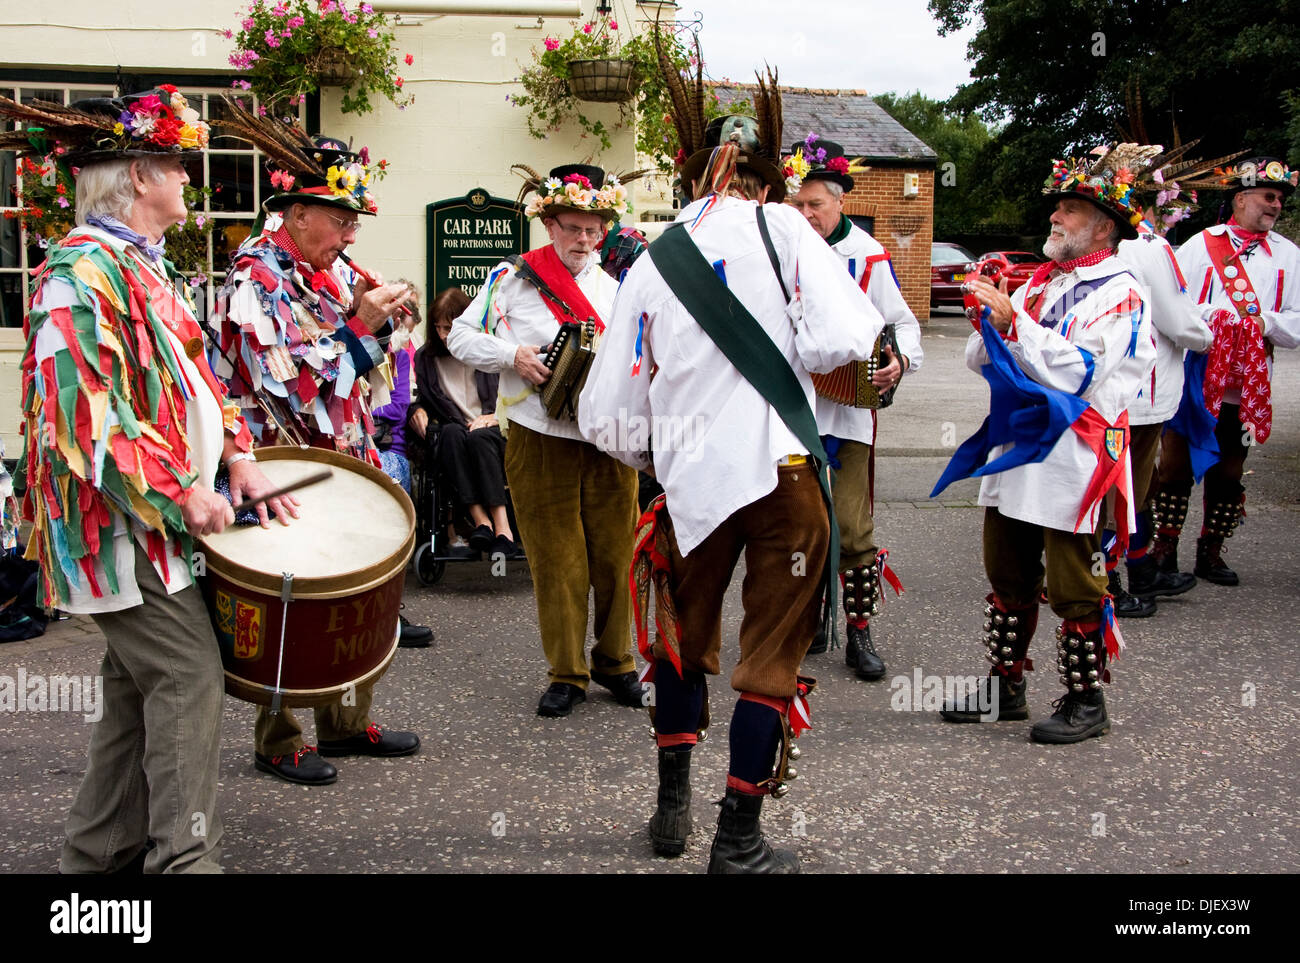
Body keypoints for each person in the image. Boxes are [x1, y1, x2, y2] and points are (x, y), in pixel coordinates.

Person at [580, 66, 883, 872]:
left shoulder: (646, 262)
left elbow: (607, 412)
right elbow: (846, 338)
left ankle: (671, 812)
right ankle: (738, 838)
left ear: (690, 172)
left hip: (691, 487)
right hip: (783, 477)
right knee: (770, 656)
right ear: (771, 177)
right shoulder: (788, 232)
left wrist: (668, 456)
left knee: (680, 642)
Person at [2, 88, 294, 872]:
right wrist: (181, 491)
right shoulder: (77, 275)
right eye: (171, 162)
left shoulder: (142, 267)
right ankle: (186, 857)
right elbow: (85, 423)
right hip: (122, 527)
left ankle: (95, 855)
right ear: (138, 176)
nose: (184, 177)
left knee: (137, 691)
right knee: (189, 675)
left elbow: (196, 376)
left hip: (156, 524)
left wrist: (236, 456)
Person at [211, 107, 426, 785]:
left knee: (349, 590)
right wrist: (362, 324)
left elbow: (351, 367)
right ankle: (278, 736)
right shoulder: (255, 281)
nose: (350, 232)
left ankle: (344, 719)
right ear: (297, 213)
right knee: (292, 598)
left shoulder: (329, 273)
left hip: (343, 451)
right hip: (282, 463)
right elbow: (291, 383)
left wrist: (385, 322)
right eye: (339, 218)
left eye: (354, 219)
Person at [935, 146, 1155, 743]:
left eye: (1071, 209)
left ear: (1103, 226)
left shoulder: (1123, 293)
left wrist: (1015, 325)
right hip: (1018, 445)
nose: (1056, 217)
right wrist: (986, 323)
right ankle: (1004, 688)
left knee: (1074, 582)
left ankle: (1087, 702)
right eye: (1058, 207)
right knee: (1006, 569)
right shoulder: (1039, 284)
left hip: (1075, 456)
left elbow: (1081, 370)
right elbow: (986, 362)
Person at [447, 164, 642, 719]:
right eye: (573, 228)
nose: (584, 240)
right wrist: (512, 356)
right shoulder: (509, 280)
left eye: (593, 229)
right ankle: (566, 673)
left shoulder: (618, 286)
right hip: (539, 435)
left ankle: (616, 662)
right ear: (550, 223)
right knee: (558, 562)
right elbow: (461, 334)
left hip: (609, 440)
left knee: (615, 555)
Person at [789, 134, 923, 679]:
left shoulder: (867, 257)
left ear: (840, 201)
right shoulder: (780, 250)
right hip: (791, 413)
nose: (805, 215)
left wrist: (901, 362)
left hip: (846, 415)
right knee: (798, 526)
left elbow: (906, 325)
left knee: (851, 525)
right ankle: (809, 620)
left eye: (814, 205)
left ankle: (859, 631)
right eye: (796, 205)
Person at [1151, 157, 1300, 586]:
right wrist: (1216, 320)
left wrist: (1263, 323)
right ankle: (1164, 548)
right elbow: (1175, 304)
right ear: (1240, 198)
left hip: (1248, 386)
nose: (1275, 206)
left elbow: (1296, 322)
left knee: (1230, 471)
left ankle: (1210, 553)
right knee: (1175, 464)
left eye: (1279, 200)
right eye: (1268, 197)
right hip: (1196, 376)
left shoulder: (1289, 256)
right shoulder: (1200, 245)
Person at [1103, 145, 1221, 616]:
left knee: (1130, 486)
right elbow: (1179, 322)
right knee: (1123, 488)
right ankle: (1108, 581)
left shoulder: (1114, 243)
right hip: (1143, 392)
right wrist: (1213, 332)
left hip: (1122, 389)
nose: (1177, 212)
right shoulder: (1149, 247)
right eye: (1174, 202)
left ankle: (1141, 571)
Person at [410, 287, 514, 556]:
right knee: (452, 434)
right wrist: (416, 411)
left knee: (478, 437)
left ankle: (503, 528)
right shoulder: (426, 358)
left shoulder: (487, 350)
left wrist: (493, 417)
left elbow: (513, 395)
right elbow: (424, 398)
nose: (445, 336)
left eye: (451, 328)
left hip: (494, 428)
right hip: (455, 432)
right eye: (440, 328)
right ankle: (482, 522)